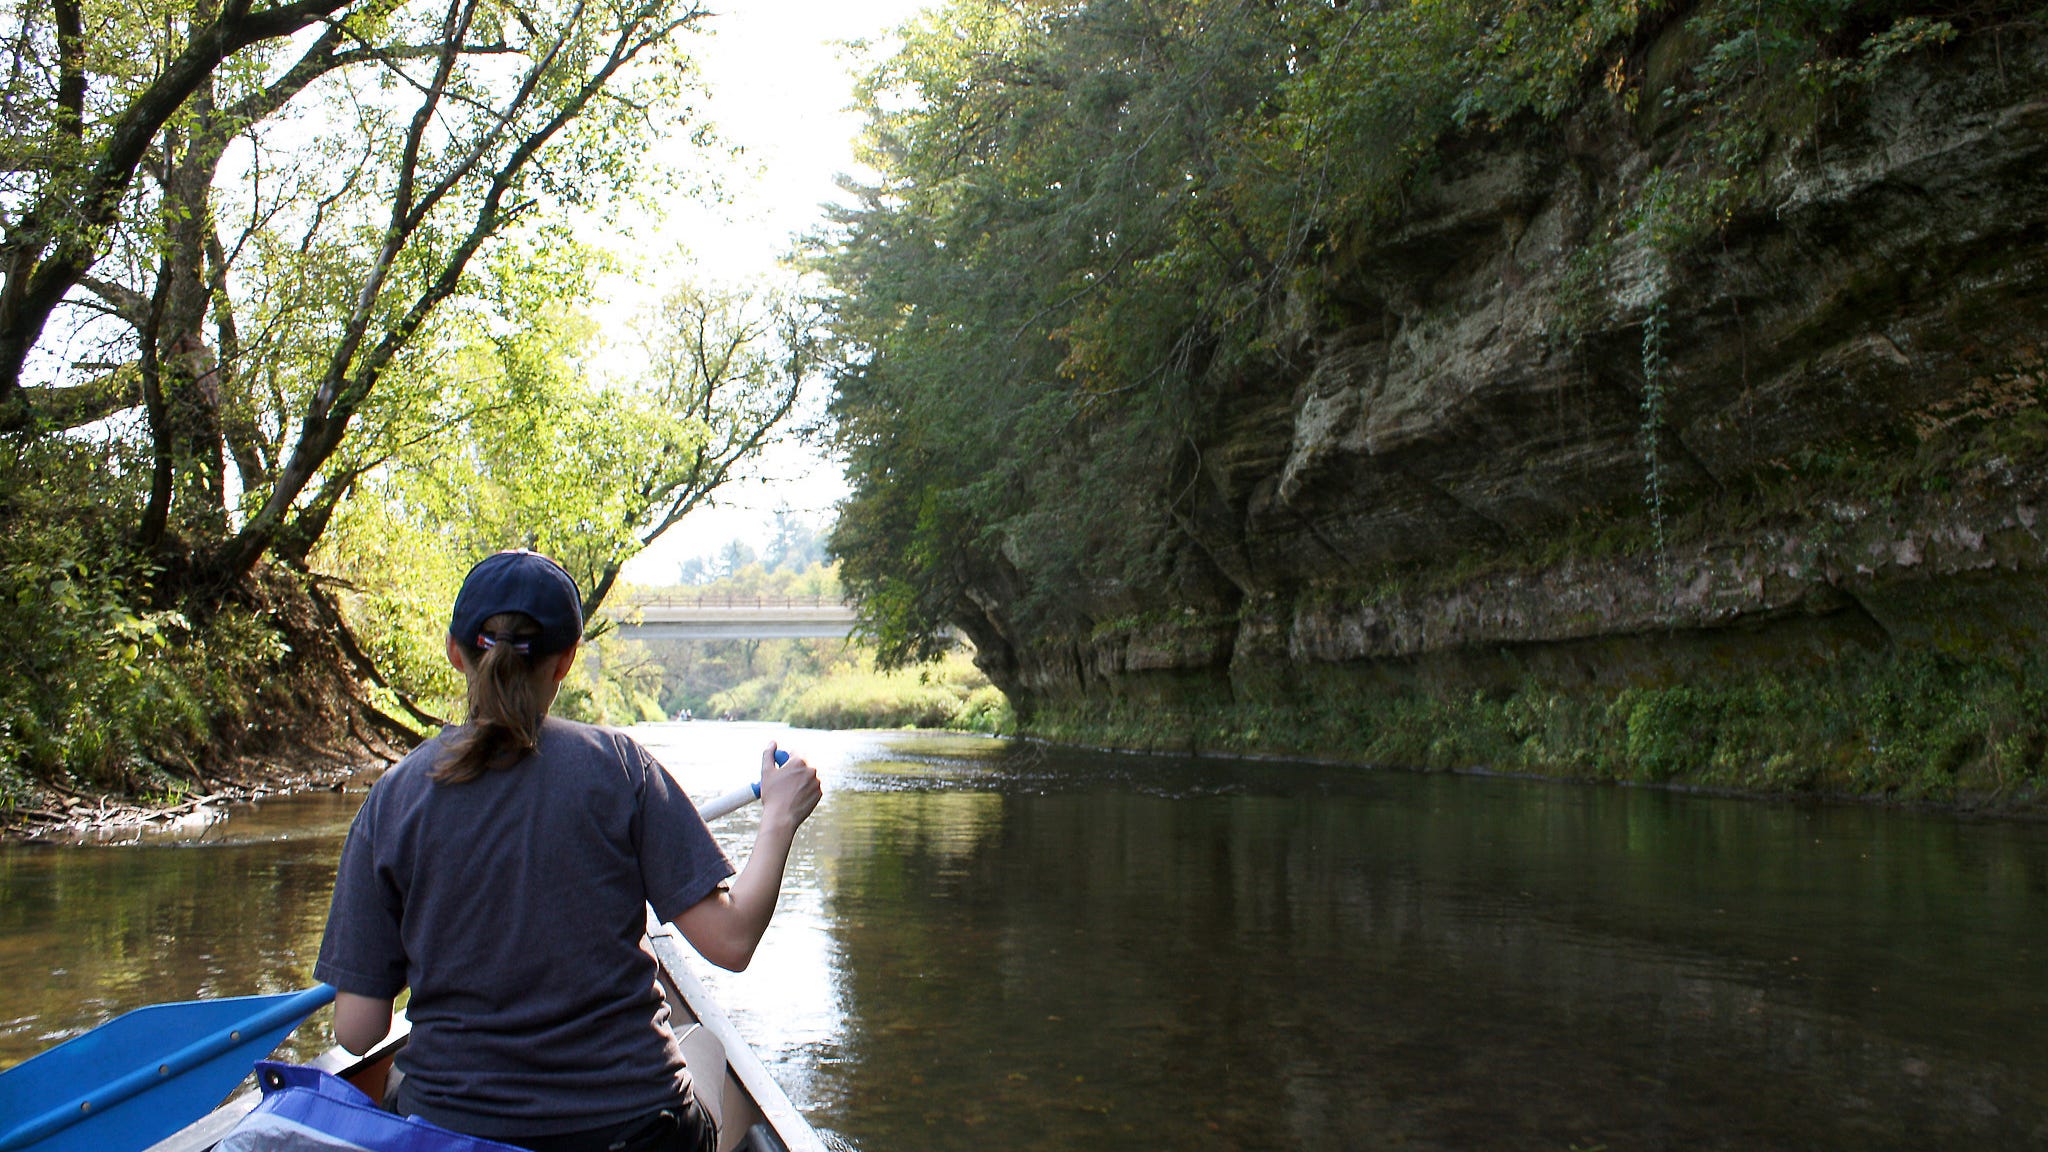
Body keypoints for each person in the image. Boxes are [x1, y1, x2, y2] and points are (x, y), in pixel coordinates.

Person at [314, 550, 822, 1152]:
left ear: (456, 653)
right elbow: (731, 942)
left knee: (397, 1082)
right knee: (710, 1056)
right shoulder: (622, 768)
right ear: (564, 663)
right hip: (631, 1131)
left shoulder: (392, 799)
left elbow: (357, 1030)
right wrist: (780, 818)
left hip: (452, 1132)